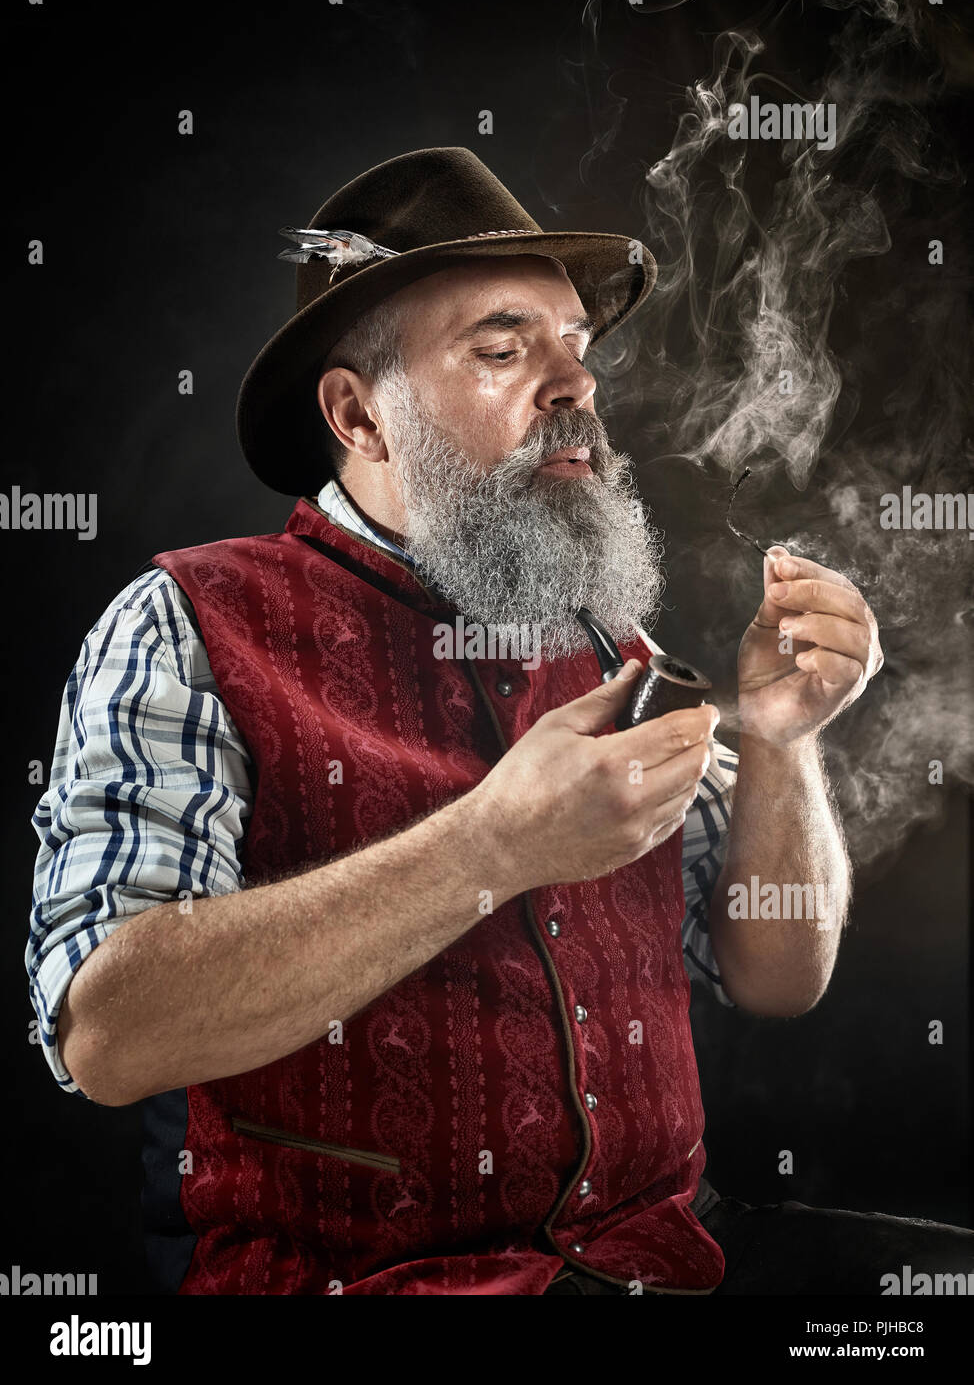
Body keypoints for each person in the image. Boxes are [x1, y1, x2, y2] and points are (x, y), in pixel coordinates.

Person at [27, 147, 971, 1296]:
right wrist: (493, 845)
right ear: (358, 414)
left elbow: (774, 974)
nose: (571, 381)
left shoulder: (609, 644)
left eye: (575, 344)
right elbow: (105, 1032)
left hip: (668, 1251)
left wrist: (781, 742)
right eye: (502, 347)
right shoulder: (186, 625)